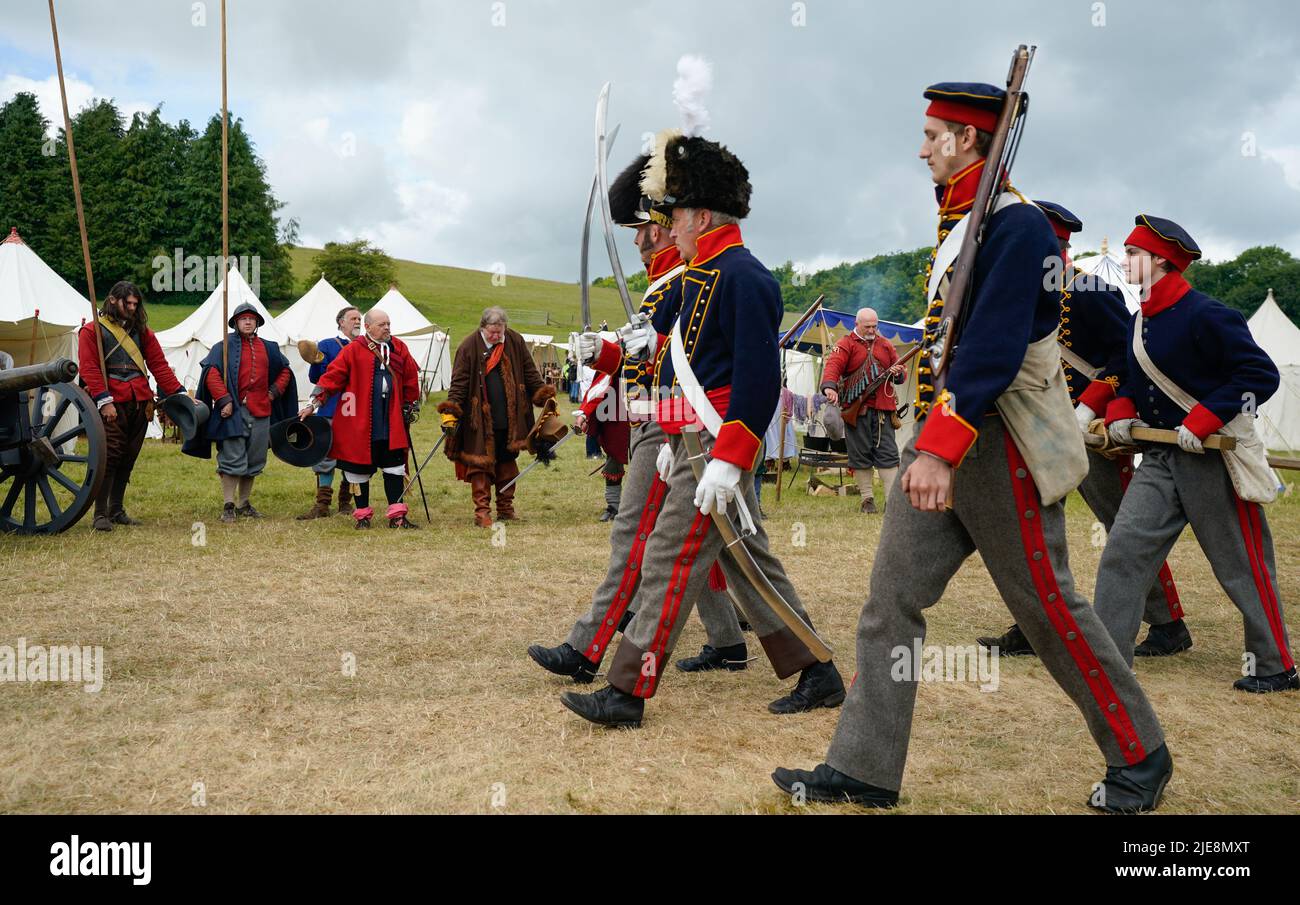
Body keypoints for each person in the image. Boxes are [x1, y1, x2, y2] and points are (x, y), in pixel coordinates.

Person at [772, 82, 1170, 813]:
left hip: (994, 441)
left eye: (934, 134)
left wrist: (938, 449)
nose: (922, 147)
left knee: (1048, 608)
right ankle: (863, 765)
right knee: (889, 601)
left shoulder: (1014, 227)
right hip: (948, 438)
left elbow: (990, 347)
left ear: (969, 140)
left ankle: (1140, 754)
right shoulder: (967, 222)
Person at [557, 131, 845, 729]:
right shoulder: (692, 277)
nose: (667, 226)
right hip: (689, 439)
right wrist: (669, 434)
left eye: (675, 214)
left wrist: (729, 455)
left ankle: (626, 692)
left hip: (718, 439)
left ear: (703, 213)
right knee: (746, 558)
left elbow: (758, 380)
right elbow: (667, 365)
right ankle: (817, 668)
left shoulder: (746, 278)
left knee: (667, 555)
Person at [528, 153, 750, 684]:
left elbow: (681, 358)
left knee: (650, 539)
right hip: (670, 418)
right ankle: (740, 643)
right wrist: (602, 351)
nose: (638, 240)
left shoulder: (688, 276)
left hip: (689, 421)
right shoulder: (663, 280)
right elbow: (644, 358)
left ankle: (589, 646)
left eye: (645, 228)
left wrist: (625, 352)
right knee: (725, 549)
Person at [976, 202, 1189, 658]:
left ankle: (1168, 623)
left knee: (1125, 526)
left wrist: (1091, 410)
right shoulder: (1023, 296)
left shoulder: (1089, 292)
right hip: (1038, 429)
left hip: (1088, 432)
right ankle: (1038, 626)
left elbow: (1126, 357)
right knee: (1029, 531)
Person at [1096, 215, 1296, 692]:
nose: (1125, 262)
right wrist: (1123, 409)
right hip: (1161, 456)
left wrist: (1204, 417)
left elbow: (1259, 376)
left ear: (1161, 260)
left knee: (1241, 565)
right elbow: (1129, 375)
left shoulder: (1207, 314)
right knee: (1123, 552)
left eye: (1133, 254)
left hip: (1211, 455)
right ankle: (1105, 659)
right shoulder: (1140, 317)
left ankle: (1274, 666)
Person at [76, 280, 185, 531]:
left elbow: (158, 365)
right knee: (111, 456)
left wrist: (178, 392)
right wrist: (104, 401)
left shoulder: (142, 332)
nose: (133, 308)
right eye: (129, 303)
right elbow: (89, 368)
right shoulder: (92, 331)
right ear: (113, 300)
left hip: (140, 402)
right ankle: (100, 514)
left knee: (128, 457)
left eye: (136, 304)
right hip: (112, 401)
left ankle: (116, 509)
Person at [300, 308, 420, 529]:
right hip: (360, 421)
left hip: (391, 420)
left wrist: (412, 404)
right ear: (368, 327)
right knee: (358, 469)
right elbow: (332, 377)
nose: (387, 328)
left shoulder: (399, 347)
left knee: (394, 466)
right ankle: (362, 516)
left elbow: (411, 376)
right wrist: (313, 403)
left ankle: (397, 516)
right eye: (382, 324)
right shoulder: (354, 350)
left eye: (388, 324)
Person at [439, 307, 553, 527]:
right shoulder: (468, 346)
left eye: (500, 332)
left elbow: (530, 372)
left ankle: (505, 508)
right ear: (483, 327)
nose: (496, 336)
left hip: (511, 417)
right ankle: (482, 512)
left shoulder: (514, 340)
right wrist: (450, 412)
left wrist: (544, 395)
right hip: (478, 420)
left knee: (507, 463)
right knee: (480, 465)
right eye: (492, 332)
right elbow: (459, 383)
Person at [185, 302, 297, 522]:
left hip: (261, 411)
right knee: (231, 457)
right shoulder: (222, 346)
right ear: (236, 322)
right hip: (233, 411)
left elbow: (285, 372)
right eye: (243, 318)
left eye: (252, 319)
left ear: (257, 323)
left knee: (255, 459)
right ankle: (228, 504)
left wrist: (273, 393)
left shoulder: (270, 347)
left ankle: (243, 503)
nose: (248, 321)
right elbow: (211, 374)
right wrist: (224, 400)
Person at [821, 308, 907, 512]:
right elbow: (833, 366)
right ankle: (867, 500)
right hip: (856, 412)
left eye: (874, 326)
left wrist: (897, 373)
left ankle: (891, 502)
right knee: (860, 456)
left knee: (888, 455)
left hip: (884, 411)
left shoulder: (885, 345)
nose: (872, 330)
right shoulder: (845, 344)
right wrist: (829, 387)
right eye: (867, 326)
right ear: (857, 324)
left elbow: (900, 374)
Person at [296, 306, 362, 520]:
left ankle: (345, 502)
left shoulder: (365, 346)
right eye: (353, 318)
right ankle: (322, 505)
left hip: (356, 412)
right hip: (331, 409)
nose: (357, 322)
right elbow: (317, 378)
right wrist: (315, 363)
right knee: (326, 457)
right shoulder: (327, 345)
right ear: (341, 322)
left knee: (353, 458)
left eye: (360, 319)